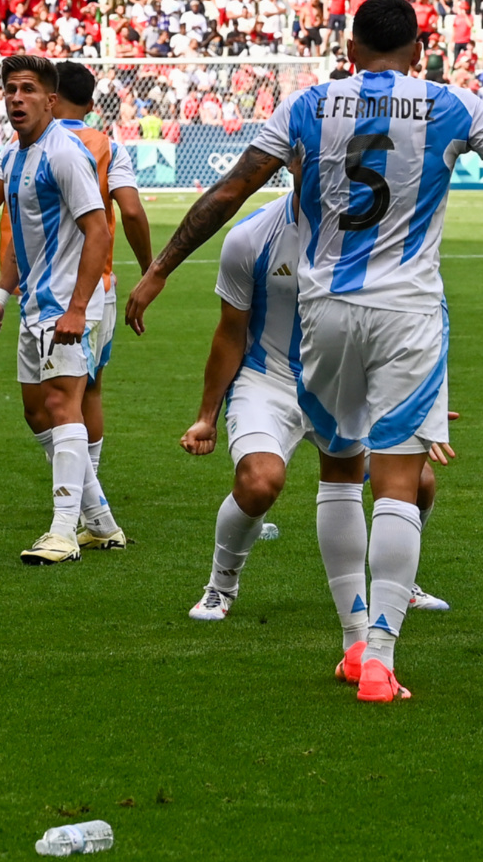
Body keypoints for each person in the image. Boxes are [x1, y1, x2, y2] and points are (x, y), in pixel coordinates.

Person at [126, 0, 483, 703]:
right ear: (419, 51)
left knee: (336, 476)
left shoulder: (306, 106)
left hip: (324, 313)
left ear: (349, 50)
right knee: (397, 481)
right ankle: (382, 659)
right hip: (407, 313)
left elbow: (229, 192)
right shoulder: (452, 105)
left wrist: (161, 267)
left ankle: (354, 644)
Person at [180, 195, 450, 622]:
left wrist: (415, 400)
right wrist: (206, 417)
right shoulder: (251, 236)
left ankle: (399, 582)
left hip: (342, 381)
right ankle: (220, 586)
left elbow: (401, 320)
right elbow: (230, 333)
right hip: (269, 380)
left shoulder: (372, 233)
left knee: (419, 483)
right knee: (259, 482)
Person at [0, 60, 154, 549]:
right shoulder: (14, 158)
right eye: (9, 89)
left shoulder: (66, 154)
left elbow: (99, 228)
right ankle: (101, 523)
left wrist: (76, 308)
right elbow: (21, 244)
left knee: (62, 402)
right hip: (35, 302)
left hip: (70, 304)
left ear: (50, 100)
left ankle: (61, 531)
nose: (15, 98)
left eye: (27, 89)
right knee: (37, 412)